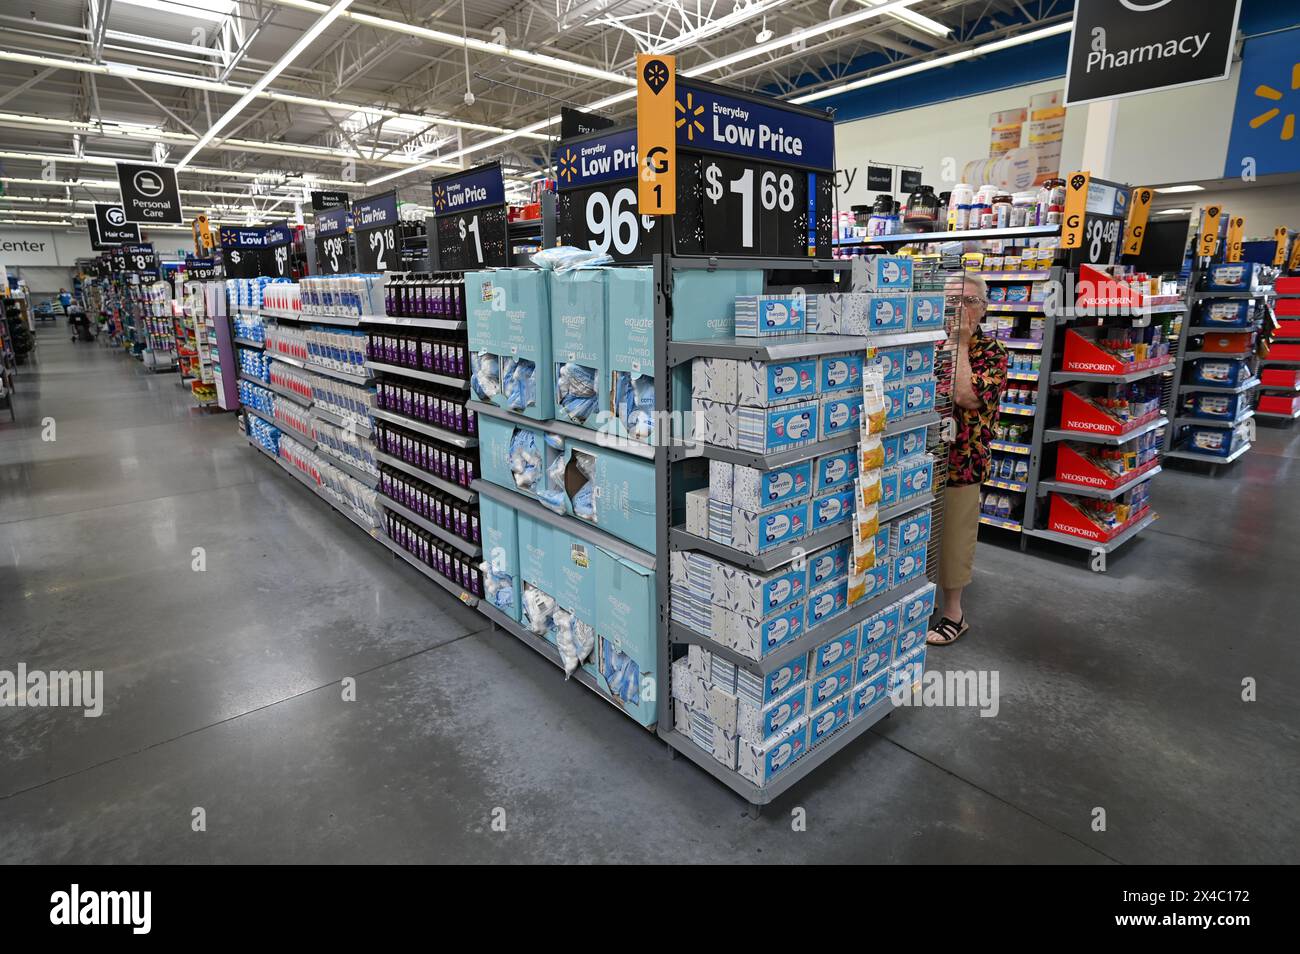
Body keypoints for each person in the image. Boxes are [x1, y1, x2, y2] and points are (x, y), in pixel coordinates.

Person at [928, 274, 1007, 646]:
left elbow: (967, 396)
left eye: (969, 301)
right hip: (920, 457)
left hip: (962, 459)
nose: (959, 310)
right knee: (919, 534)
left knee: (955, 537)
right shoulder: (924, 342)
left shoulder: (991, 352)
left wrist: (958, 342)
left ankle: (953, 613)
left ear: (984, 309)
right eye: (952, 302)